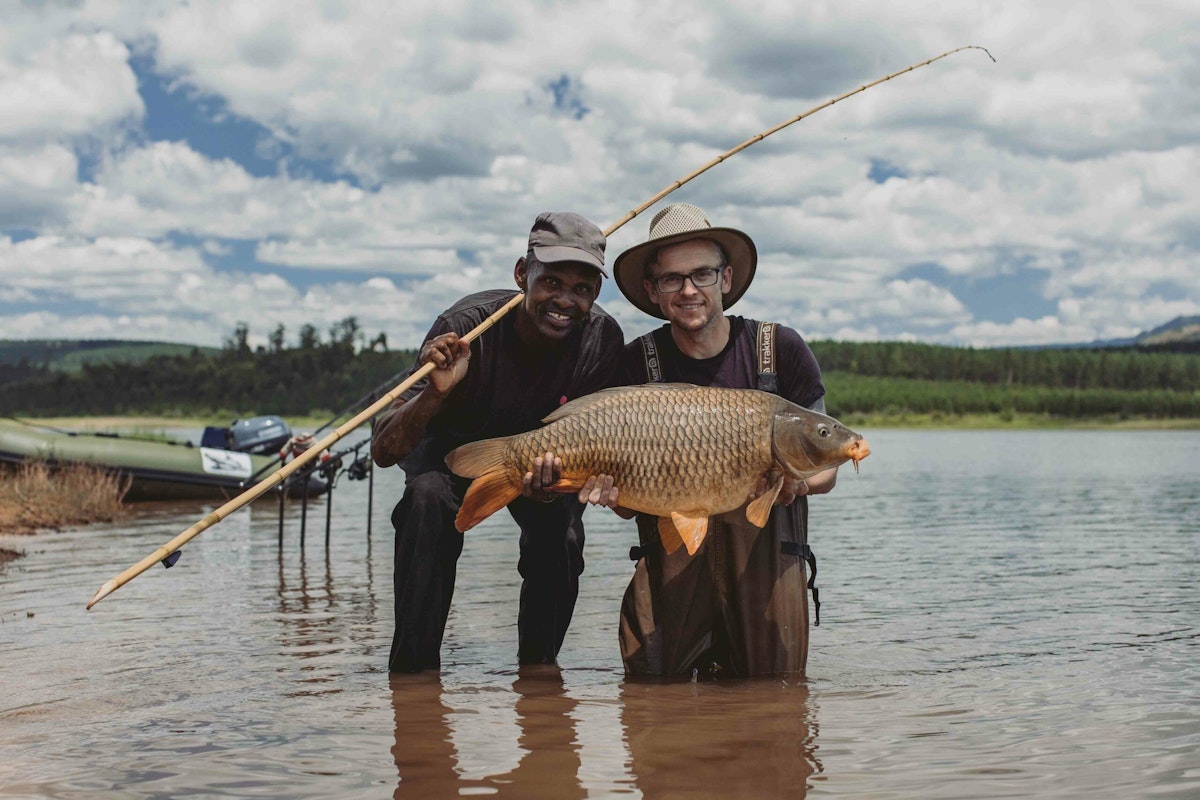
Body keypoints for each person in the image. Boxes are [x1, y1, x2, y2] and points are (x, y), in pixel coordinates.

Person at [579, 202, 838, 677]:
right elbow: (627, 498)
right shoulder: (637, 363)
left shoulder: (780, 349)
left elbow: (826, 464)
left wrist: (800, 484)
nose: (689, 290)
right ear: (652, 291)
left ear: (726, 278)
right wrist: (611, 497)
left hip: (766, 571)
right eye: (672, 279)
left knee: (775, 706)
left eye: (702, 274)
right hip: (671, 566)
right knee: (654, 713)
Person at [371, 211, 625, 673]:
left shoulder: (602, 340)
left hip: (543, 462)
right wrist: (435, 391)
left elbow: (600, 442)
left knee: (562, 532)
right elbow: (383, 451)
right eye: (551, 282)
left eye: (582, 289)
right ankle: (414, 677)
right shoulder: (465, 325)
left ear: (596, 294)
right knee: (426, 501)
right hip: (452, 452)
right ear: (522, 274)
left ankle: (540, 679)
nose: (564, 300)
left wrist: (563, 483)